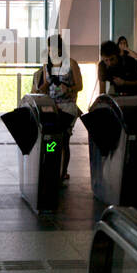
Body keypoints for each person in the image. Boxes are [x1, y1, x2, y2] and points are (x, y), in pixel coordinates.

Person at [32, 32, 81, 182]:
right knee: (52, 137)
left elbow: (80, 85)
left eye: (53, 50)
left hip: (67, 106)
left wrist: (70, 89)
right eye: (49, 49)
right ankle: (52, 167)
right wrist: (40, 89)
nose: (51, 53)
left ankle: (63, 171)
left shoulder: (71, 63)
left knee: (64, 138)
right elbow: (46, 86)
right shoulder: (47, 65)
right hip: (52, 107)